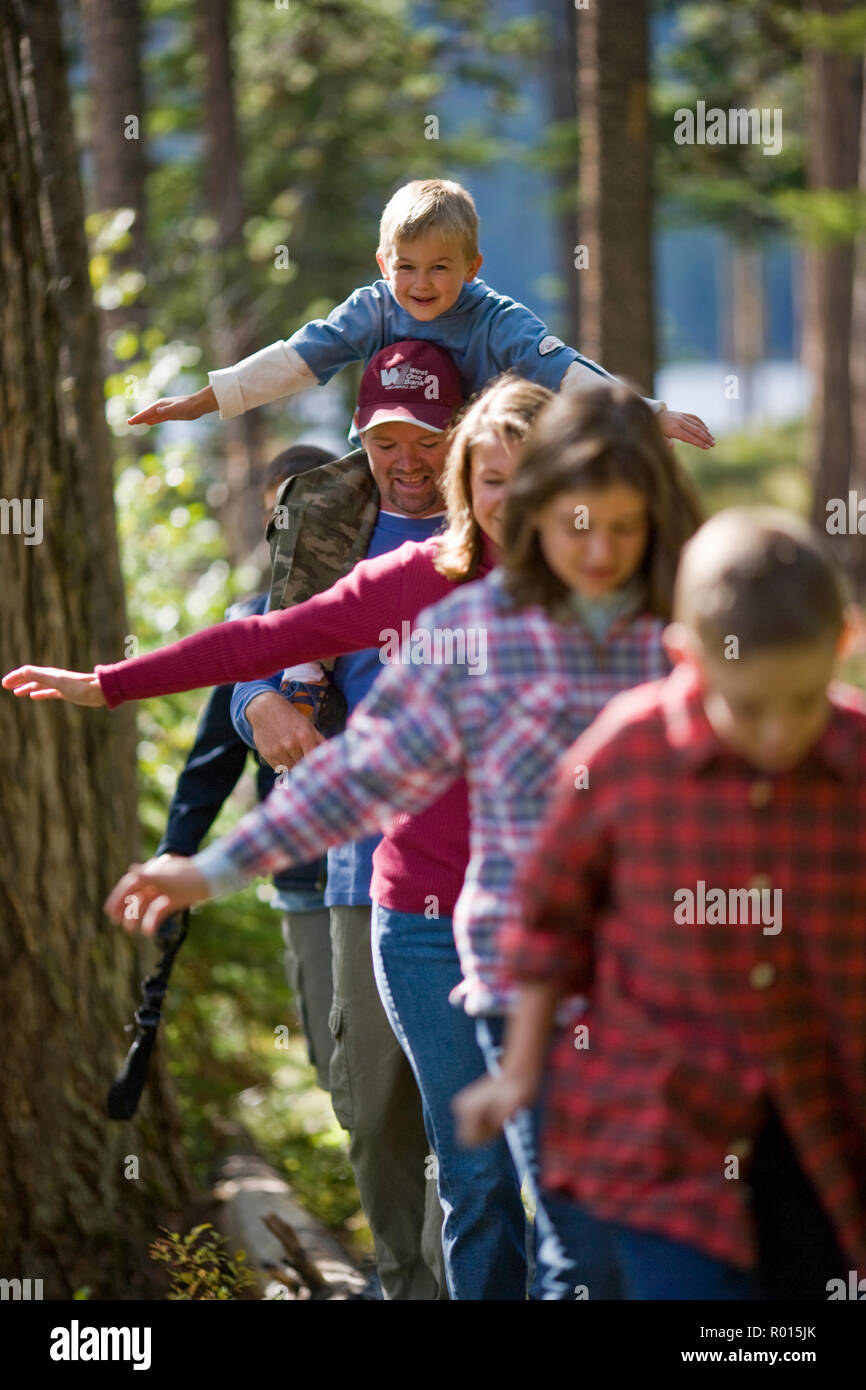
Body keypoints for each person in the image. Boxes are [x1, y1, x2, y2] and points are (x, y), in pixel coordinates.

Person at [11, 383, 703, 1298]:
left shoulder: (621, 609)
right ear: (465, 484)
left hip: (566, 935)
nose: (506, 499)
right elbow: (273, 647)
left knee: (577, 1190)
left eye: (526, 476)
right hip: (422, 917)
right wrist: (113, 684)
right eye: (487, 479)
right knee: (476, 1175)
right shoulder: (428, 590)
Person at [454, 509, 866, 1300]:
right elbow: (549, 925)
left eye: (802, 701)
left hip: (825, 1122)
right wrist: (520, 1072)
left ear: (844, 643)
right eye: (747, 707)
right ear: (686, 657)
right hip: (664, 1131)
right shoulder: (624, 759)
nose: (778, 734)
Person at [126, 178, 714, 454]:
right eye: (406, 266)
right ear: (383, 263)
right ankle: (305, 662)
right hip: (386, 462)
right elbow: (296, 361)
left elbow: (565, 372)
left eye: (440, 268)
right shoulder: (372, 309)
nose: (421, 283)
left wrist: (648, 413)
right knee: (312, 503)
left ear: (473, 267)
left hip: (471, 461)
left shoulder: (497, 320)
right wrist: (200, 401)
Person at [156, 445, 336, 1091]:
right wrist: (176, 854)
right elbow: (210, 765)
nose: (293, 528)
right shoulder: (251, 627)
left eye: (309, 506)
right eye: (277, 517)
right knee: (334, 1063)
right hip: (302, 880)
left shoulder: (378, 610)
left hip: (386, 882)